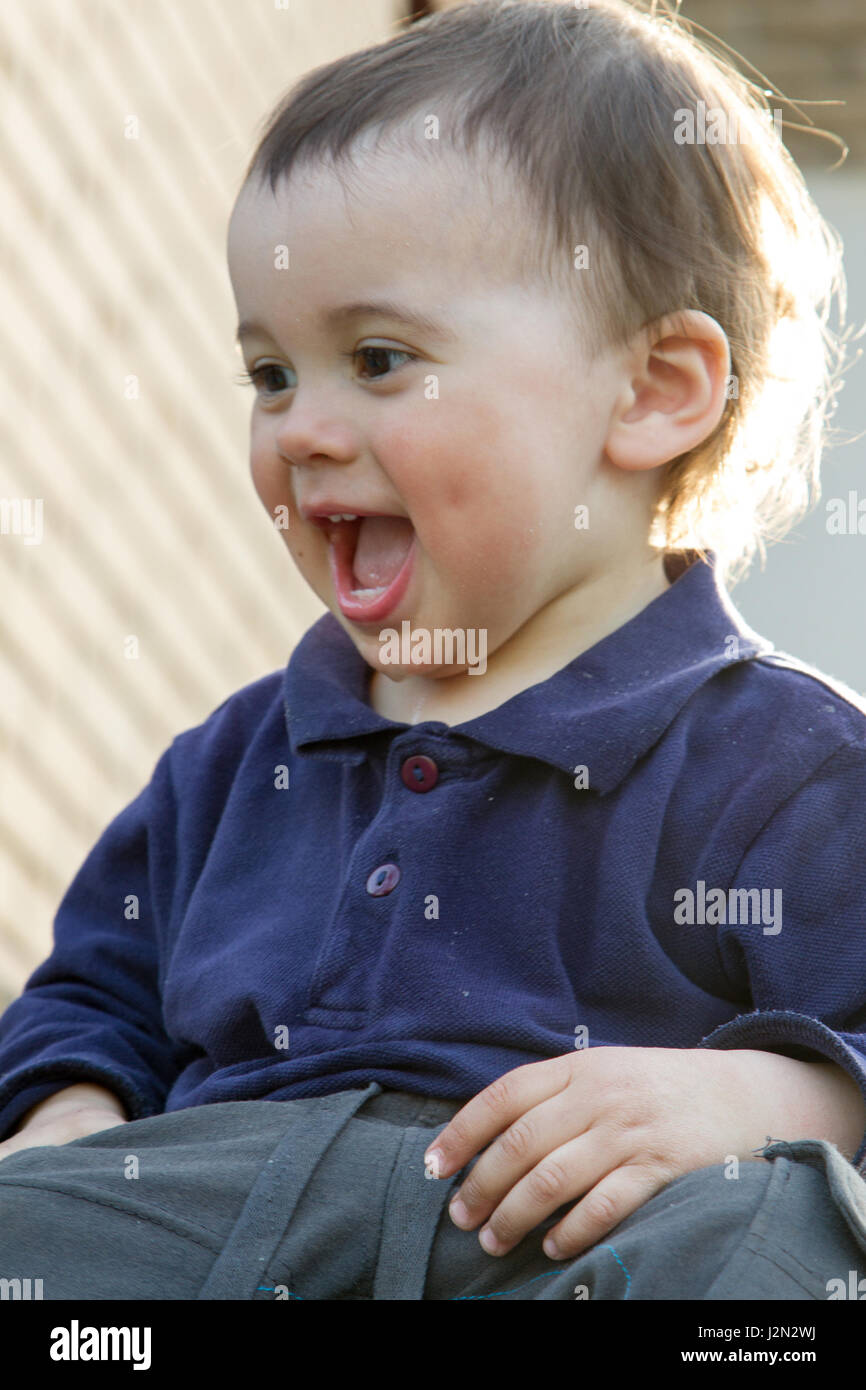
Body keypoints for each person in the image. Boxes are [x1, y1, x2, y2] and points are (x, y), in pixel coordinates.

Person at [1, 0, 866, 1301]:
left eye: (377, 356)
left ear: (651, 391)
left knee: (784, 1248)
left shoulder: (782, 765)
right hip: (216, 1220)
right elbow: (92, 998)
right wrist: (71, 1130)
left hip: (546, 1249)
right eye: (270, 375)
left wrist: (764, 1094)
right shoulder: (236, 762)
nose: (297, 429)